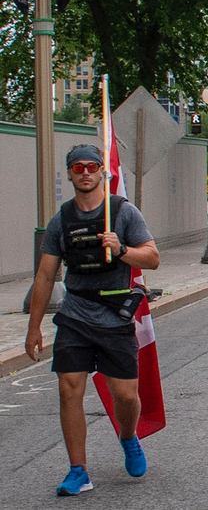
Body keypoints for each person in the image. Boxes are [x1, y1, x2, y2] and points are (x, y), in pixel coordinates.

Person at [25, 144, 160, 496]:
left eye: (92, 166)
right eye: (77, 167)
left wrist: (122, 250)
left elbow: (153, 258)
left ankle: (128, 437)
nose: (85, 172)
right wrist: (33, 327)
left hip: (114, 317)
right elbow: (44, 276)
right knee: (69, 389)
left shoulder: (123, 213)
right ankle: (78, 470)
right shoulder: (62, 221)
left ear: (103, 172)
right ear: (69, 173)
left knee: (125, 396)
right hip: (75, 315)